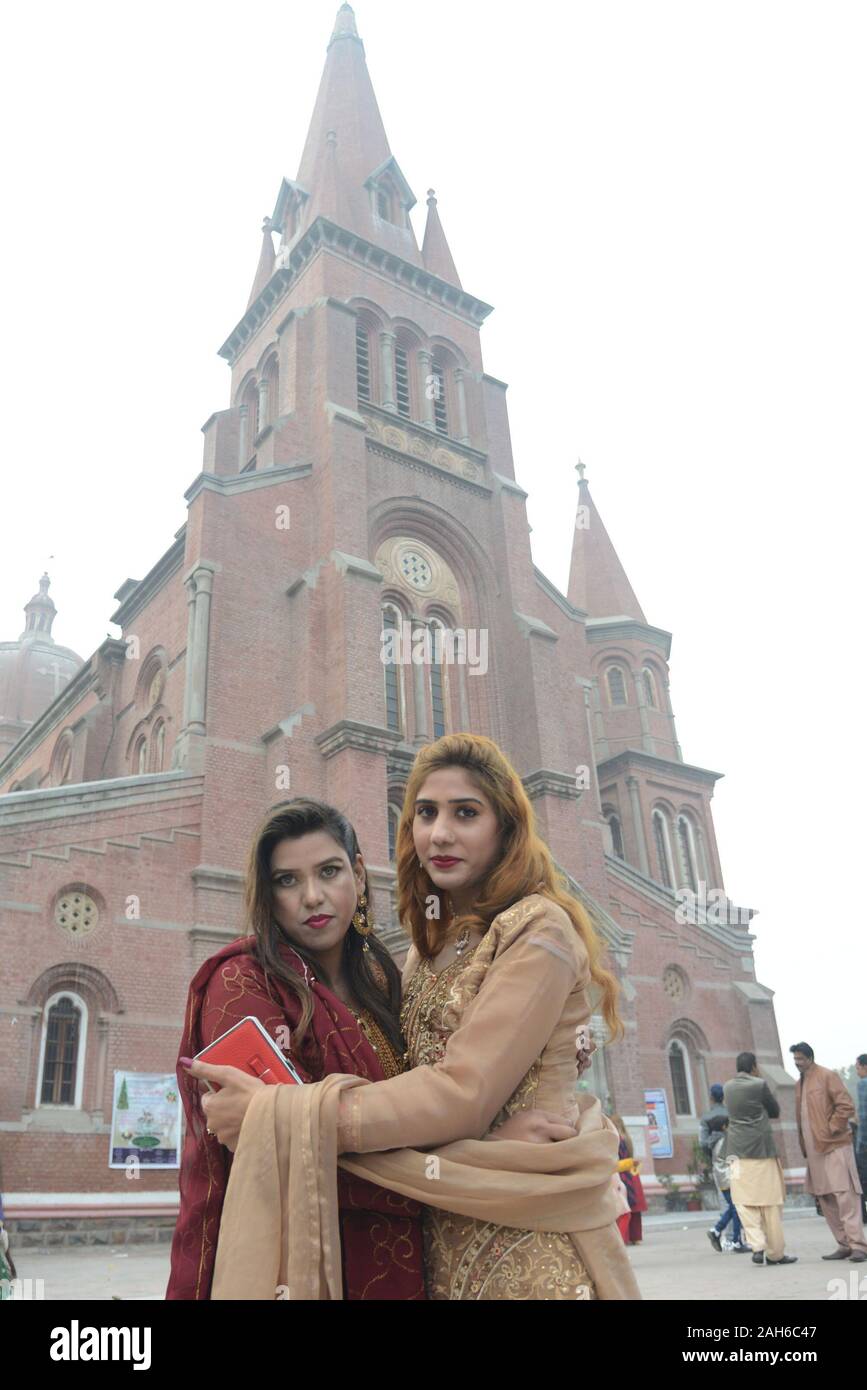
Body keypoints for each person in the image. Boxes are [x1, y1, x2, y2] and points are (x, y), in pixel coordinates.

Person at [188, 733, 641, 1300]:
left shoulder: (536, 928)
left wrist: (279, 1116)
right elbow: (411, 1091)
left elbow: (461, 1092)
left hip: (524, 1237)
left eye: (466, 813)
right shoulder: (423, 951)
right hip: (432, 1239)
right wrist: (481, 1147)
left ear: (507, 827)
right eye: (425, 813)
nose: (440, 833)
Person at [166, 799, 429, 1300]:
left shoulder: (382, 983)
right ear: (268, 894)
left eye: (329, 871)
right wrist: (440, 1177)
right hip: (297, 1261)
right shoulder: (241, 982)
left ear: (358, 874)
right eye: (287, 881)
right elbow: (272, 1147)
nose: (312, 896)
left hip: (402, 1253)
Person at [790, 1042, 866, 1262]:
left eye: (801, 1059)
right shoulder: (799, 1084)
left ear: (810, 1058)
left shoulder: (827, 1076)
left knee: (845, 1195)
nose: (797, 1063)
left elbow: (846, 1106)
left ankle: (859, 1245)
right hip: (814, 1151)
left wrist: (831, 1128)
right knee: (825, 1197)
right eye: (795, 1059)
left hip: (834, 1145)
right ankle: (844, 1244)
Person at [724, 1053, 797, 1266]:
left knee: (742, 1201)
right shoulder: (759, 1084)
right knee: (770, 1203)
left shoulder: (727, 1087)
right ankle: (775, 1253)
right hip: (761, 1150)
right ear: (754, 1067)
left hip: (735, 1153)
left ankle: (757, 1245)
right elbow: (775, 1111)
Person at [700, 1085, 747, 1253]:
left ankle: (720, 1232)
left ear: (711, 1097)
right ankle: (733, 1239)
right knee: (737, 1204)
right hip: (732, 1169)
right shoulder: (731, 1117)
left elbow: (703, 1143)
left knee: (734, 1205)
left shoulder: (706, 1119)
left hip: (719, 1169)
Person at [612, 1114, 647, 1245]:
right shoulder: (628, 1138)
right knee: (634, 1209)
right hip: (631, 1173)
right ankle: (636, 1237)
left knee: (621, 1207)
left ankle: (623, 1238)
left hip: (620, 1173)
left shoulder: (616, 1139)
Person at [856, 1054, 867, 1223]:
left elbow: (865, 1116)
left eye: (858, 1067)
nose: (857, 1071)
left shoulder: (863, 1084)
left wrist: (861, 1144)